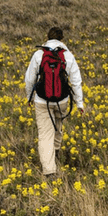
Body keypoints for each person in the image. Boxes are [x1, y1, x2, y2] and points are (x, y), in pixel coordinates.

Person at [24, 26, 86, 176]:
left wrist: (29, 97)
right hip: (62, 99)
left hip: (42, 100)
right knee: (58, 127)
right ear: (62, 39)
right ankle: (55, 154)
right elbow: (76, 81)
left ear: (47, 38)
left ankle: (49, 171)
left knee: (45, 134)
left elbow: (29, 78)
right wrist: (79, 103)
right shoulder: (68, 55)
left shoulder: (39, 54)